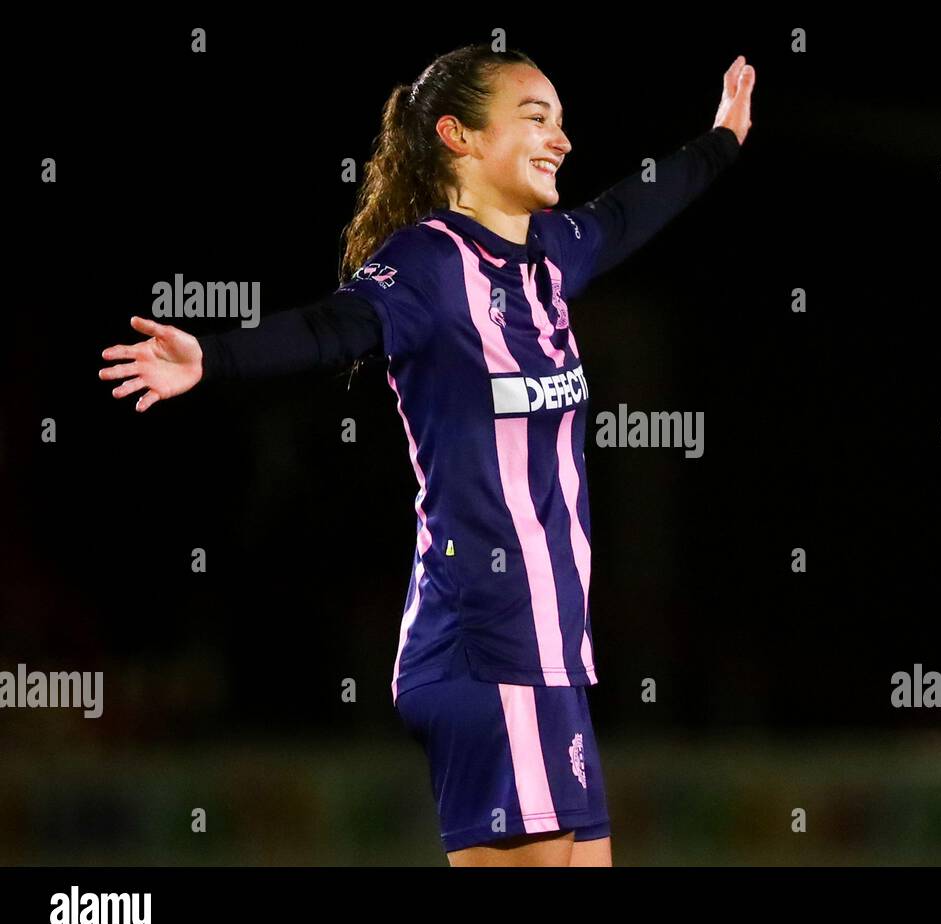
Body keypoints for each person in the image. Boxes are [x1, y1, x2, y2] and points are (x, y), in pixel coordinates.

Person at [99, 43, 754, 866]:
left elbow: (632, 209)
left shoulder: (554, 253)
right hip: (484, 645)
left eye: (562, 121)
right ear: (460, 136)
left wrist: (722, 138)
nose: (562, 139)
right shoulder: (428, 265)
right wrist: (213, 358)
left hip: (549, 653)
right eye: (535, 118)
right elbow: (329, 326)